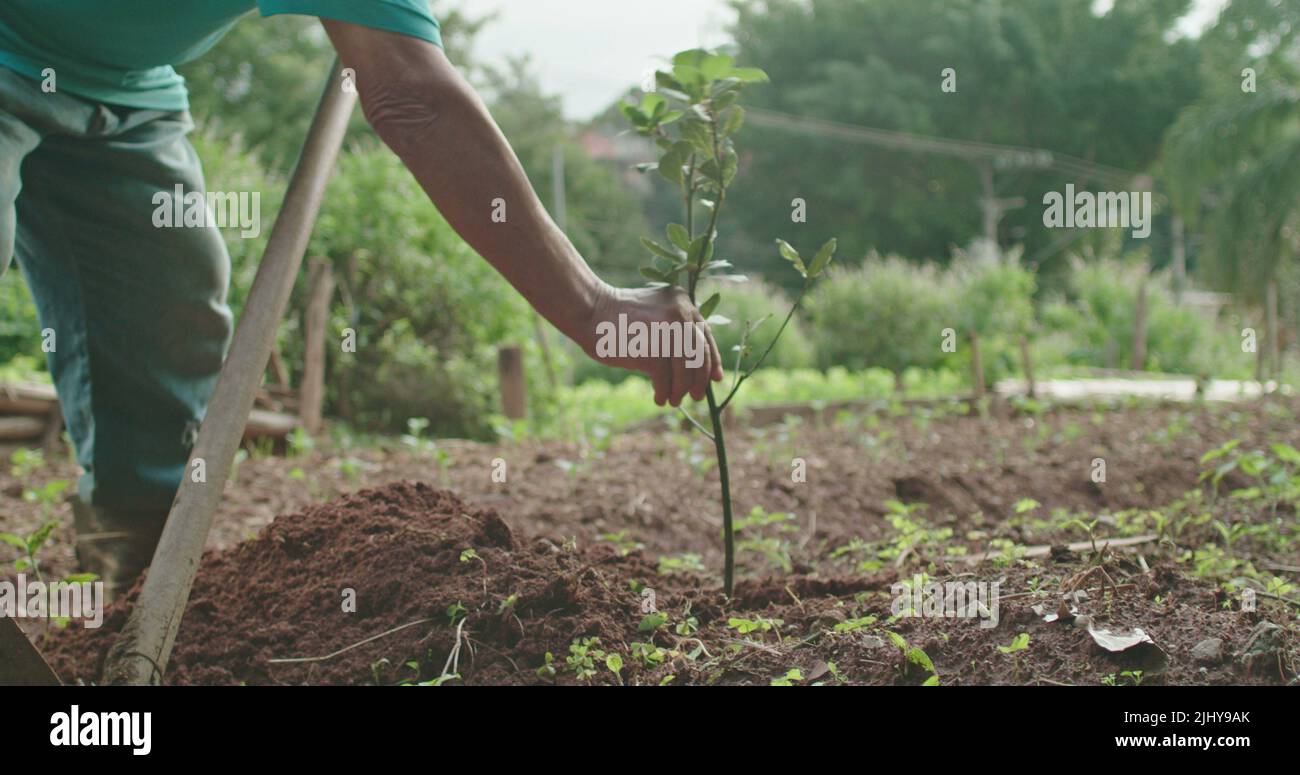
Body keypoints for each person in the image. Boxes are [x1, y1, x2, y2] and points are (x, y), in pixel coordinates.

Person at [0, 2, 722, 598]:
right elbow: (414, 91)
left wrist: (596, 309)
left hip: (122, 88)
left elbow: (405, 85)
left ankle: (132, 609)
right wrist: (595, 308)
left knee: (167, 322)